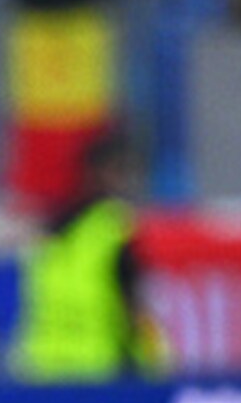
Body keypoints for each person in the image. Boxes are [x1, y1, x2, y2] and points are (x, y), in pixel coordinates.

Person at [12, 129, 169, 382]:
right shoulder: (114, 229)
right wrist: (158, 366)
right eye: (124, 172)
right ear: (105, 172)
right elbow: (134, 307)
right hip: (99, 373)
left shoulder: (49, 231)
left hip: (42, 371)